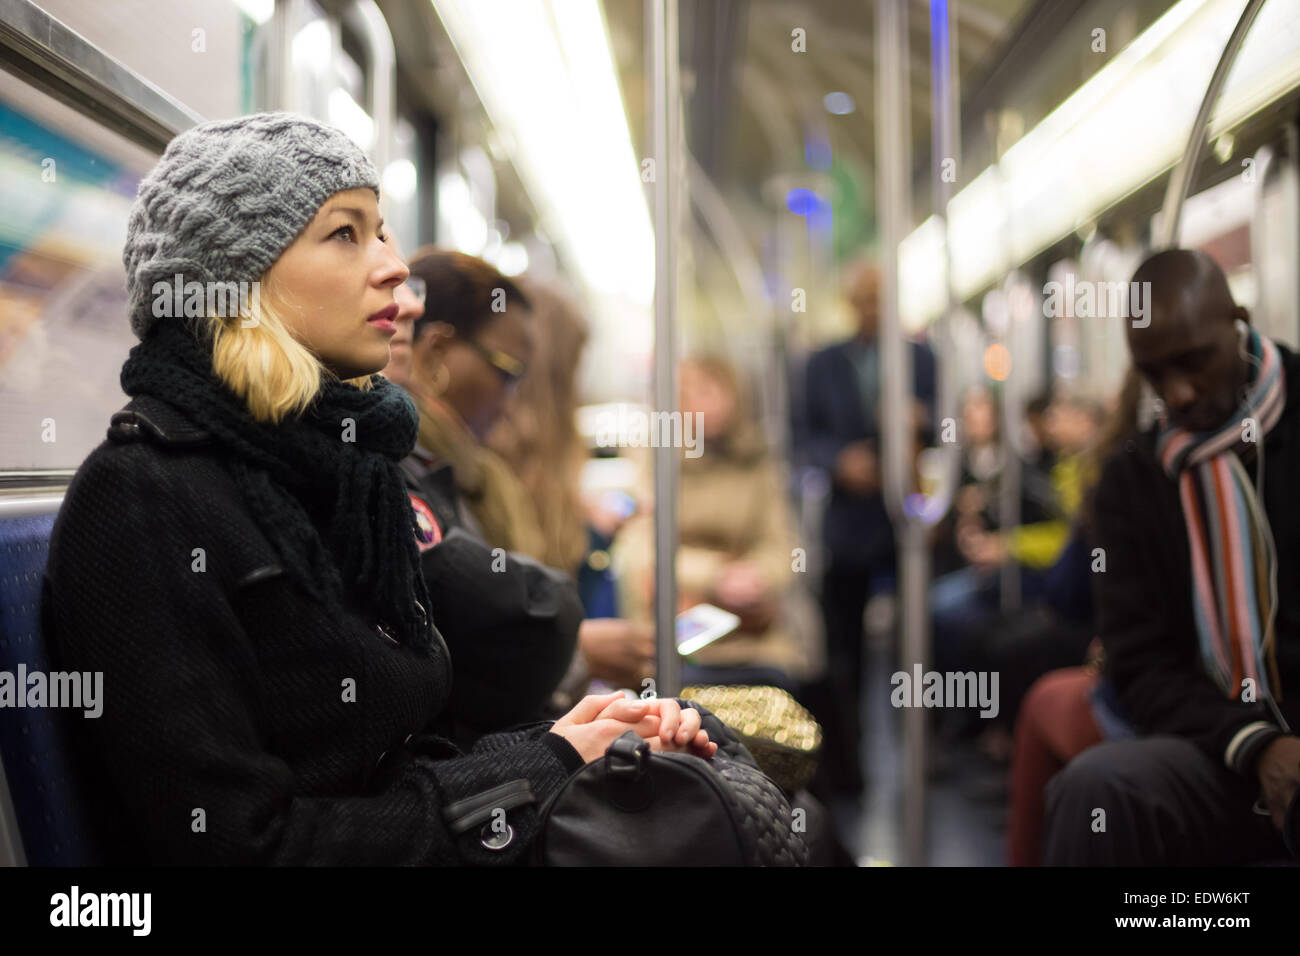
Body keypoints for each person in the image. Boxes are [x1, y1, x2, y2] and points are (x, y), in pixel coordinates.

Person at [41, 112, 715, 866]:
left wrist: (570, 739)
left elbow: (407, 757)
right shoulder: (144, 499)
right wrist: (539, 768)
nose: (396, 267)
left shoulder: (341, 468)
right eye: (345, 234)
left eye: (384, 231)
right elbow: (245, 848)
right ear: (237, 281)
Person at [1043, 248, 1300, 865]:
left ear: (1238, 321)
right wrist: (1257, 743)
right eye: (1155, 375)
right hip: (1221, 743)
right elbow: (1140, 662)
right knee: (1097, 790)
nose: (1178, 392)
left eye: (1194, 362)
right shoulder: (1134, 481)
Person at [801, 260, 936, 797]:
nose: (873, 310)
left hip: (908, 520)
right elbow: (804, 435)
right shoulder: (821, 364)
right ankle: (847, 758)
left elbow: (948, 426)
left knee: (918, 641)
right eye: (865, 300)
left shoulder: (923, 360)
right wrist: (840, 461)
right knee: (845, 648)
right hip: (850, 524)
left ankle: (923, 748)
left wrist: (918, 427)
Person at [615, 356, 807, 692]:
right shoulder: (654, 460)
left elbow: (783, 544)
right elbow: (639, 550)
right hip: (677, 628)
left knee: (781, 690)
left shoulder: (757, 461)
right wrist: (716, 576)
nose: (709, 405)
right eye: (695, 394)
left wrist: (758, 579)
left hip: (751, 628)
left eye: (716, 392)